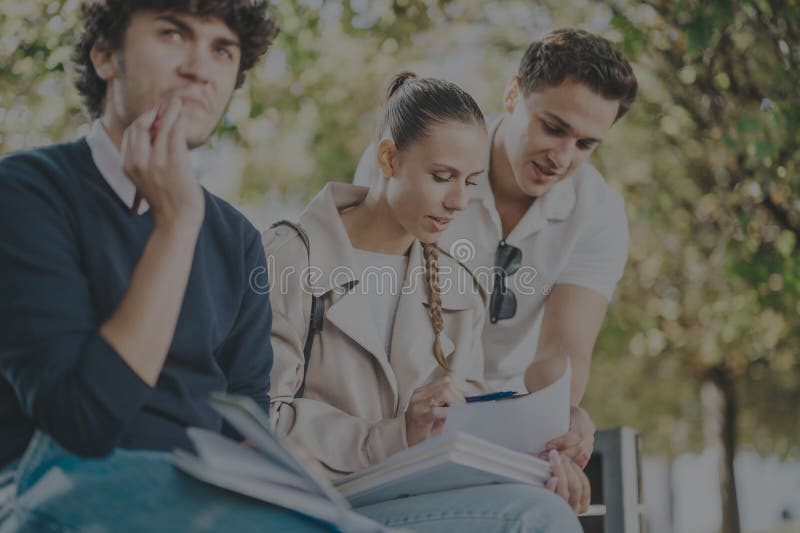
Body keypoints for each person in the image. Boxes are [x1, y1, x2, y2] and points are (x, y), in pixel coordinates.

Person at [0, 2, 336, 531]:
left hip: (201, 484)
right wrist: (176, 225)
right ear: (107, 56)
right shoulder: (26, 192)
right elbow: (83, 421)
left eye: (222, 50)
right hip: (54, 478)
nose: (201, 68)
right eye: (174, 35)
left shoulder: (237, 239)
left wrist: (284, 465)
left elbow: (242, 418)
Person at [264, 72, 588, 532]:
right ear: (388, 158)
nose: (459, 201)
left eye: (472, 182)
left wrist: (539, 465)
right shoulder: (288, 257)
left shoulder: (458, 287)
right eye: (442, 177)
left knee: (545, 508)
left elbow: (468, 437)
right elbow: (258, 419)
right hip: (311, 503)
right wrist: (394, 436)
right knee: (537, 521)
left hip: (408, 504)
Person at [354, 29, 639, 467]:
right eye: (553, 128)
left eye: (585, 144)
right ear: (513, 94)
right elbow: (367, 301)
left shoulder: (599, 214)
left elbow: (562, 351)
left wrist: (559, 416)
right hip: (391, 406)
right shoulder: (419, 158)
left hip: (500, 418)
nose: (562, 157)